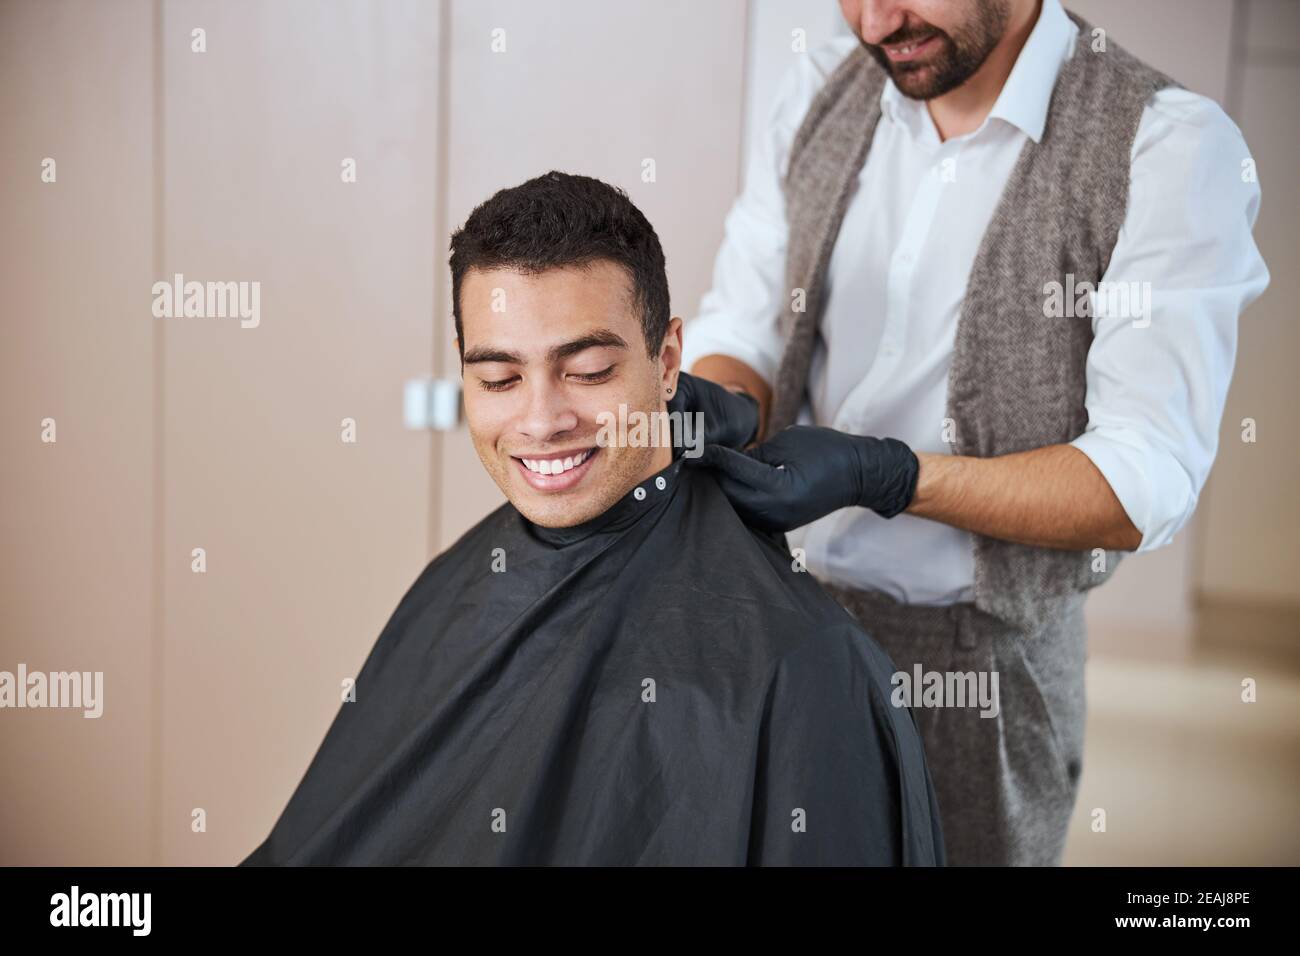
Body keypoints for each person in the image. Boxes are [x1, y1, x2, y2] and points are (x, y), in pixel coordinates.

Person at [680, 0, 1270, 864]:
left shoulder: (1168, 149)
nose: (877, 19)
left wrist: (891, 476)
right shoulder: (817, 92)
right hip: (786, 625)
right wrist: (727, 401)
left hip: (984, 675)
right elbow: (748, 322)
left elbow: (1141, 479)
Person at [239, 171, 946, 866]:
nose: (542, 421)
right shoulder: (460, 581)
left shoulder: (805, 669)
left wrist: (895, 474)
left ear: (667, 361)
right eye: (499, 379)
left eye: (588, 372)